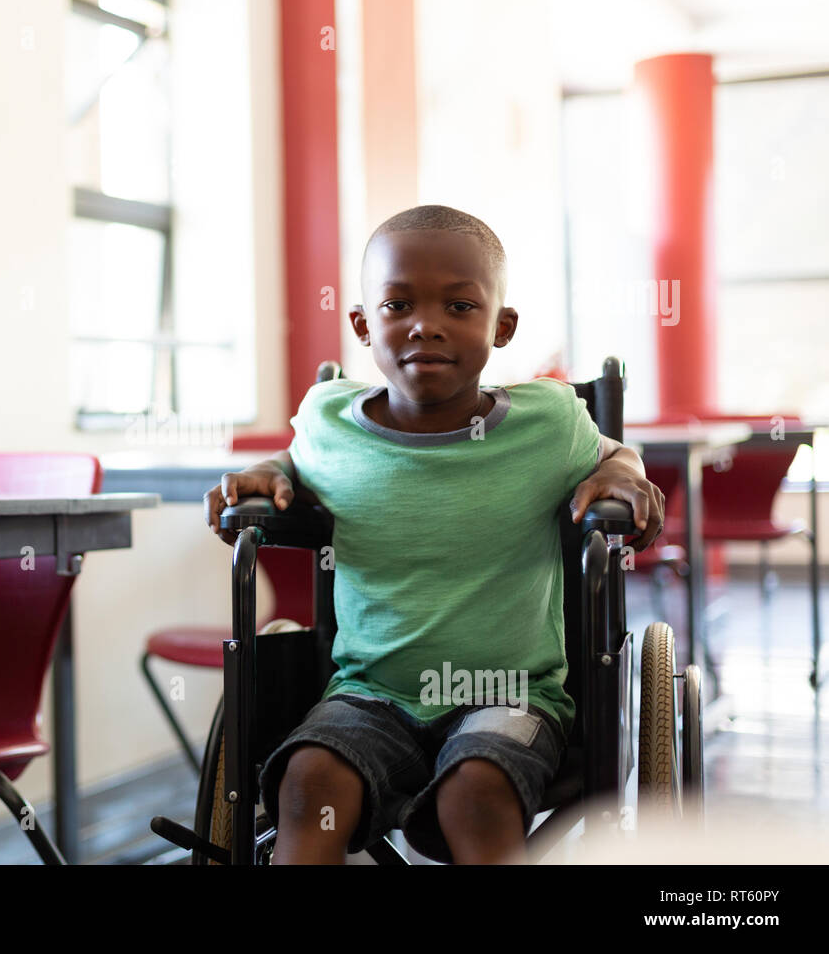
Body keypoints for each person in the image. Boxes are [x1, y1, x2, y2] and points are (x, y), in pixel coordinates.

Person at [203, 204, 665, 864]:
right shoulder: (329, 422)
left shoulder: (549, 422)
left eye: (459, 307)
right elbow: (293, 466)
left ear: (501, 327)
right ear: (364, 325)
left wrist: (624, 474)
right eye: (397, 306)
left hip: (508, 695)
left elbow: (615, 455)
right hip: (368, 693)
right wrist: (262, 473)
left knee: (475, 791)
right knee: (308, 783)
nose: (426, 325)